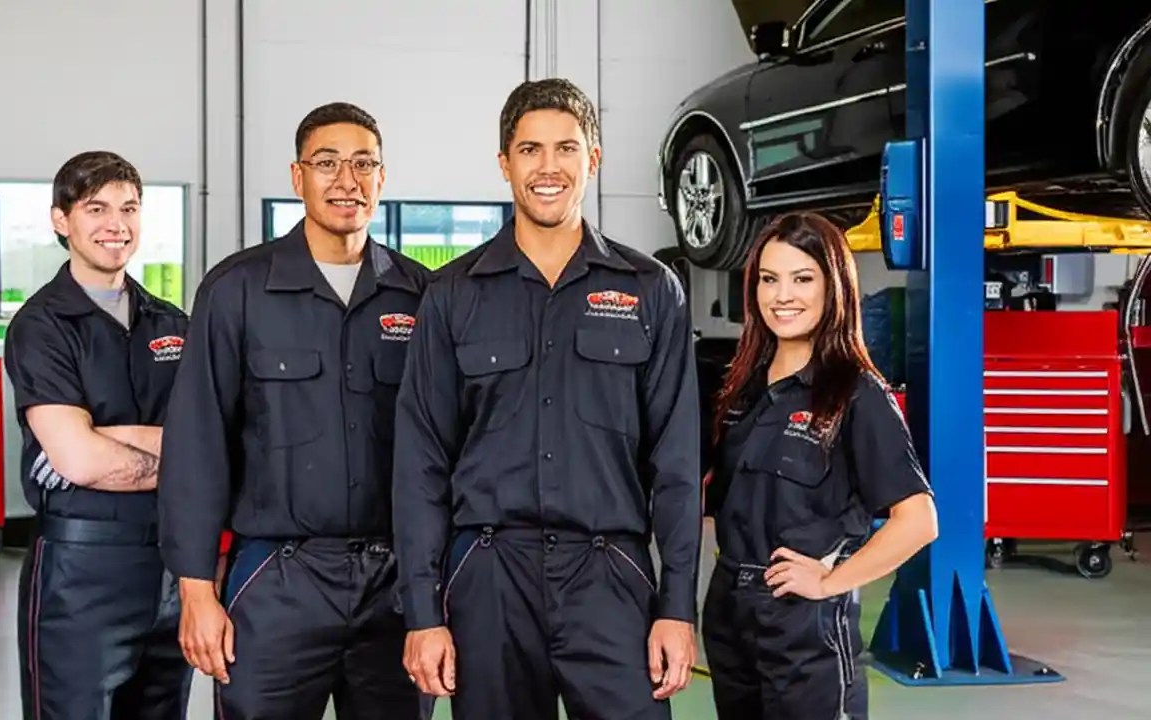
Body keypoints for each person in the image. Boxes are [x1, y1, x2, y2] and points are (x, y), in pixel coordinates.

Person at [393, 77, 701, 719]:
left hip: (610, 576)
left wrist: (676, 605)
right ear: (505, 163)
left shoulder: (651, 290)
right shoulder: (453, 296)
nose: (548, 167)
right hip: (488, 576)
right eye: (530, 150)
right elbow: (421, 465)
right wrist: (424, 610)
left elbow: (674, 466)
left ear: (593, 159)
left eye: (566, 148)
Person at [157, 102, 434, 720]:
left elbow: (445, 445)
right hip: (278, 578)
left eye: (363, 163)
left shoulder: (420, 295)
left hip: (396, 583)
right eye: (327, 162)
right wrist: (196, 591)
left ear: (382, 178)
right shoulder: (238, 290)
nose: (346, 179)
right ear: (296, 176)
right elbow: (197, 443)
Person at [700, 212, 939, 719]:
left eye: (802, 278)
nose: (782, 295)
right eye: (769, 279)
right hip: (729, 616)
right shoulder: (742, 389)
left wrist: (832, 582)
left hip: (804, 626)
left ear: (834, 287)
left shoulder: (854, 393)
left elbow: (918, 521)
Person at [3, 150, 192, 719]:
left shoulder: (172, 323)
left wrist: (107, 437)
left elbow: (213, 433)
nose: (117, 224)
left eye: (129, 208)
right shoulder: (41, 325)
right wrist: (185, 457)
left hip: (170, 570)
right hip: (77, 576)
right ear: (62, 220)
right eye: (97, 208)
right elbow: (80, 459)